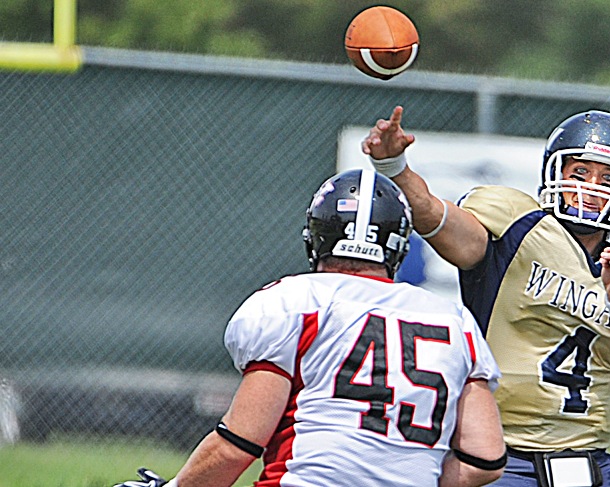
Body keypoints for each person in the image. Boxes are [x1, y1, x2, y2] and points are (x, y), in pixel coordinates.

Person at [113, 168, 506, 487]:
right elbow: (484, 459)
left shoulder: (296, 301)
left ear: (317, 237)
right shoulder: (453, 321)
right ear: (399, 246)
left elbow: (239, 443)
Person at [362, 107, 610, 487]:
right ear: (555, 173)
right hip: (500, 455)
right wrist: (394, 166)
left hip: (592, 458)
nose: (592, 187)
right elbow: (434, 215)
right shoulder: (515, 224)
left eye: (608, 178)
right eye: (580, 172)